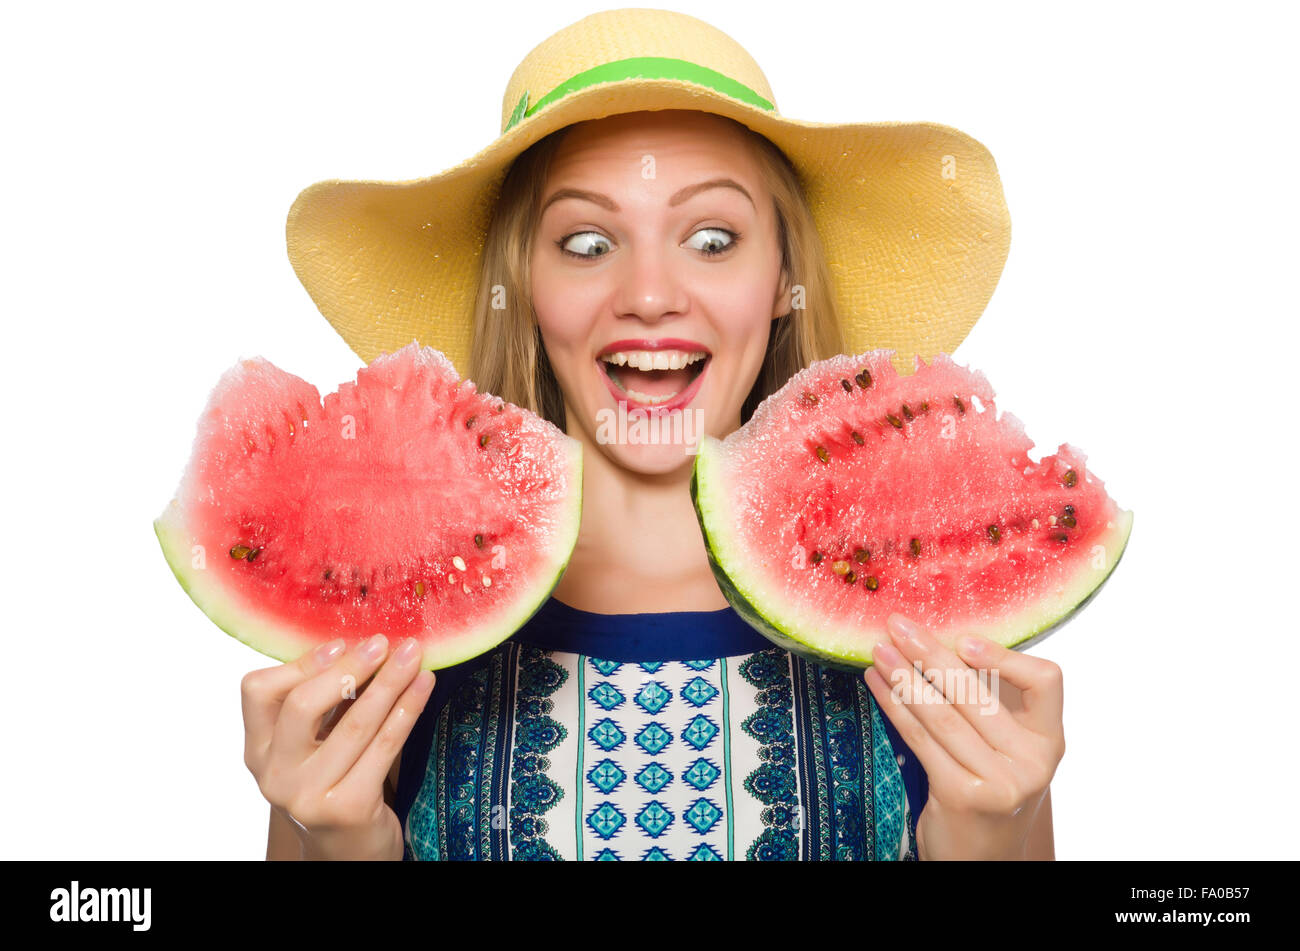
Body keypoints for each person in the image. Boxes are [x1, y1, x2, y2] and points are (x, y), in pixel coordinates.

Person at [244, 8, 1063, 861]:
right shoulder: (386, 645)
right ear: (523, 285)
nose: (648, 293)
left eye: (712, 238)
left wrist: (995, 843)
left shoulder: (922, 638)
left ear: (783, 276)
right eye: (587, 241)